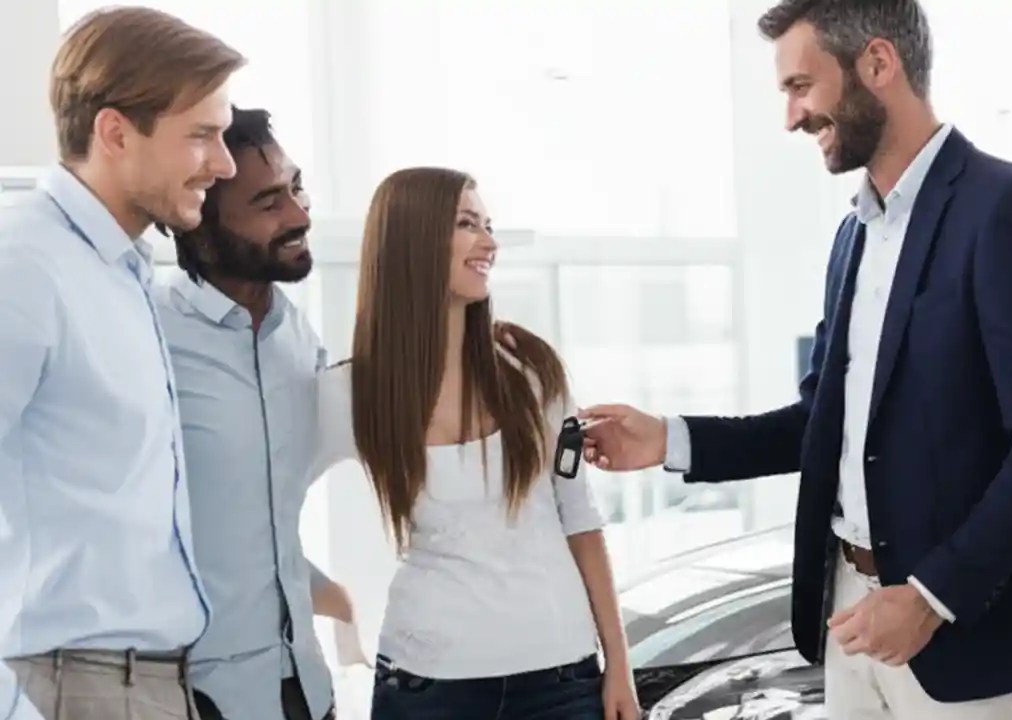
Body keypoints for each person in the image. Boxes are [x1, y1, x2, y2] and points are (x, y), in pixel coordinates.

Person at [580, 1, 1012, 718]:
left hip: (968, 639)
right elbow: (821, 422)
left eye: (801, 86)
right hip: (852, 613)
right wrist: (669, 440)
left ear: (878, 64)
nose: (791, 117)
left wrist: (929, 598)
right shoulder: (854, 236)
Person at [312, 167, 640, 720]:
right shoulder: (350, 393)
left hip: (562, 681)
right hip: (427, 688)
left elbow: (579, 517)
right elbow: (260, 512)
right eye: (468, 224)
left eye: (488, 225)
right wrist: (326, 595)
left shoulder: (532, 370)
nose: (489, 242)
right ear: (412, 239)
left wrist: (620, 667)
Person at [0, 7, 243, 719]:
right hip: (67, 689)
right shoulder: (24, 268)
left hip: (152, 684)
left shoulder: (123, 270)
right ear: (114, 132)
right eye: (202, 135)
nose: (223, 164)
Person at [156, 106, 355, 720]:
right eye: (268, 202)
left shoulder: (297, 335)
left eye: (295, 188)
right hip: (197, 695)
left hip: (304, 687)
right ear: (200, 224)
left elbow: (266, 509)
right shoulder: (150, 337)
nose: (299, 215)